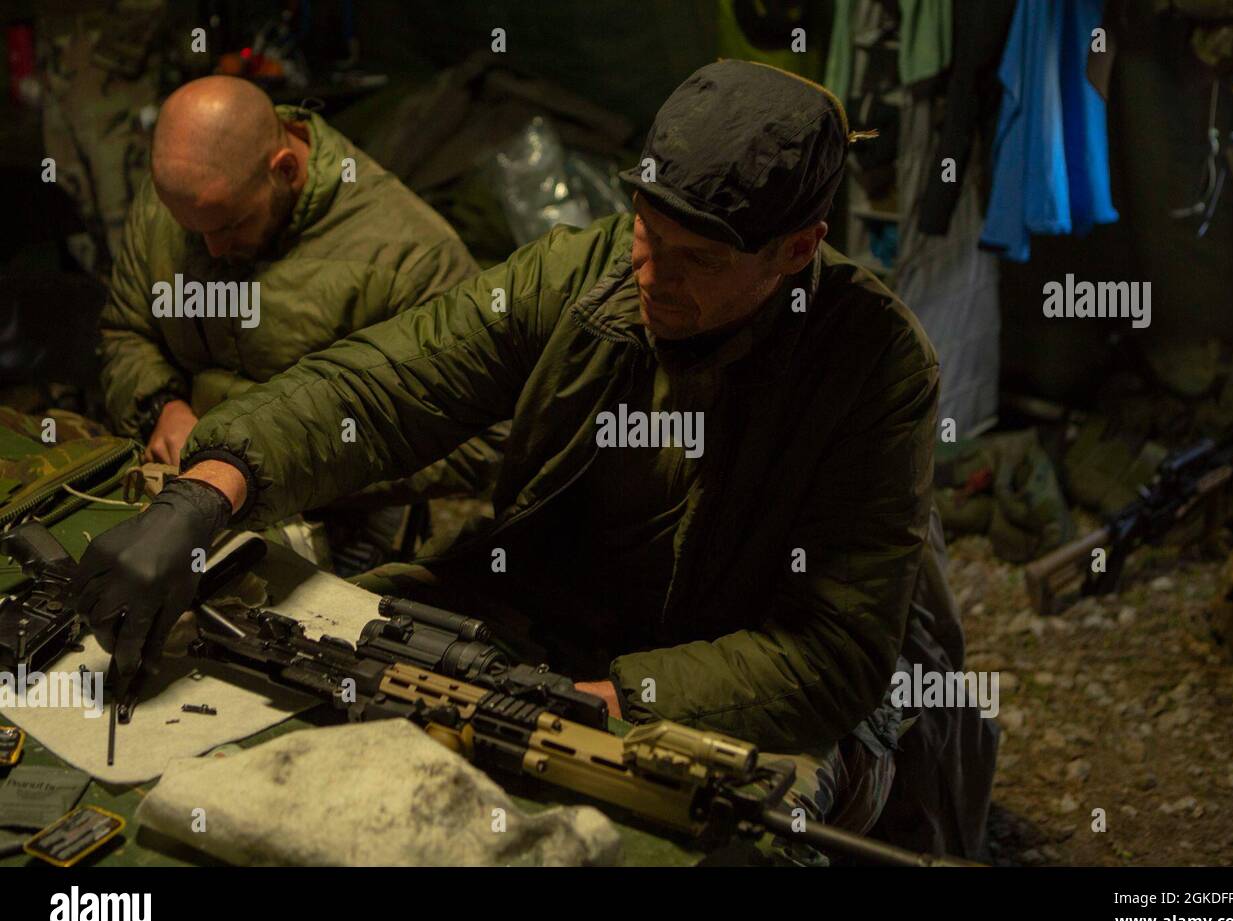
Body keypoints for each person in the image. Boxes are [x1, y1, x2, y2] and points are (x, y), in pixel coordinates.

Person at [76, 61, 996, 857]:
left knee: (733, 837)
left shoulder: (873, 367)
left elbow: (831, 652)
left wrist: (606, 700)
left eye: (694, 261)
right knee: (303, 679)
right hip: (541, 611)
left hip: (726, 676)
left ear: (797, 251)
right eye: (644, 233)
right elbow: (390, 382)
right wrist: (213, 485)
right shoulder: (582, 271)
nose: (650, 277)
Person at [98, 75, 501, 510]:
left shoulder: (411, 259)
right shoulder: (188, 195)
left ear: (285, 170)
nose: (212, 247)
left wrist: (279, 478)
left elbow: (478, 444)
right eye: (191, 229)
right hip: (182, 495)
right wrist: (161, 407)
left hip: (331, 510)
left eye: (230, 225)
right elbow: (126, 331)